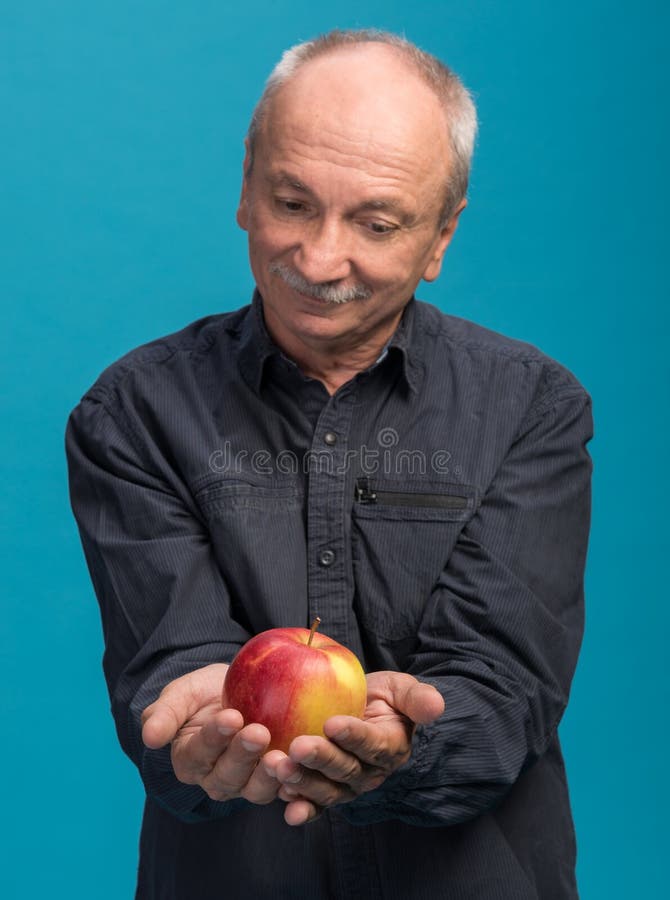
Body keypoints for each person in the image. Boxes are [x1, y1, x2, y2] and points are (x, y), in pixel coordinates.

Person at [66, 28, 593, 900]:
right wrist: (200, 730)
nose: (317, 261)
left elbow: (503, 690)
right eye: (293, 204)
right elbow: (170, 666)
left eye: (376, 223)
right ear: (246, 183)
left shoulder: (531, 408)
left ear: (440, 237)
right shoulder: (131, 413)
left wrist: (408, 746)